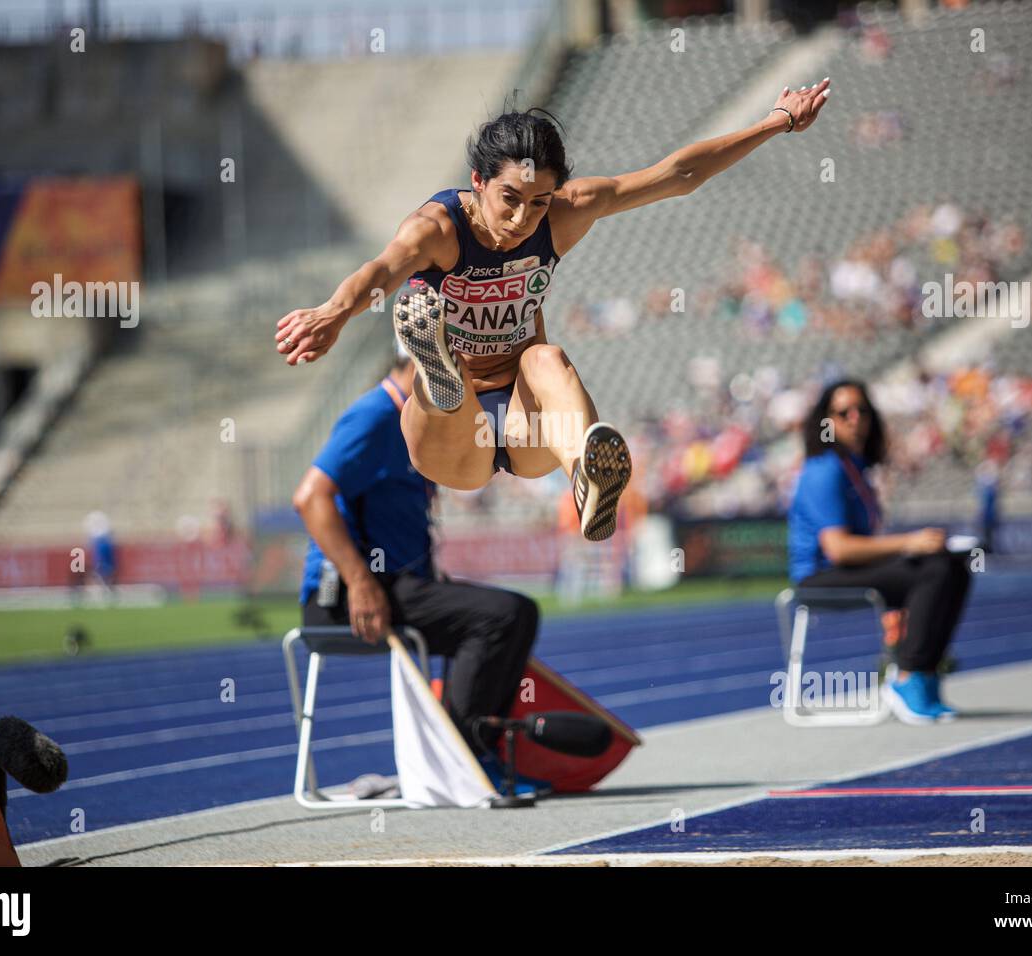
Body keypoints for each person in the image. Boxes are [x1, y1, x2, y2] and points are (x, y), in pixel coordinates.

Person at [277, 82, 833, 542]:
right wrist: (332, 312)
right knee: (436, 349)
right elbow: (381, 271)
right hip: (452, 443)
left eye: (538, 202)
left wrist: (776, 121)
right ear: (478, 182)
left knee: (546, 357)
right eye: (510, 199)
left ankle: (585, 478)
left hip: (526, 429)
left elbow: (677, 175)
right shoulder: (437, 229)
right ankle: (440, 369)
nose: (522, 219)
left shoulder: (565, 215)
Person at [292, 352, 543, 793]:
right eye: (457, 369)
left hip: (397, 584)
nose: (464, 383)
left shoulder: (413, 418)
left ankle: (472, 754)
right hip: (343, 599)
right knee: (501, 615)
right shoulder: (374, 415)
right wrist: (360, 582)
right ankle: (460, 761)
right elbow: (311, 496)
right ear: (419, 359)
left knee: (514, 614)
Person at [787, 380, 972, 724]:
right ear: (826, 421)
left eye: (863, 411)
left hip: (848, 569)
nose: (855, 418)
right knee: (934, 570)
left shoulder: (855, 468)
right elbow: (839, 549)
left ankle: (926, 674)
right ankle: (907, 677)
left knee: (953, 565)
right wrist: (909, 543)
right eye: (843, 412)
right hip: (820, 578)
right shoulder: (823, 470)